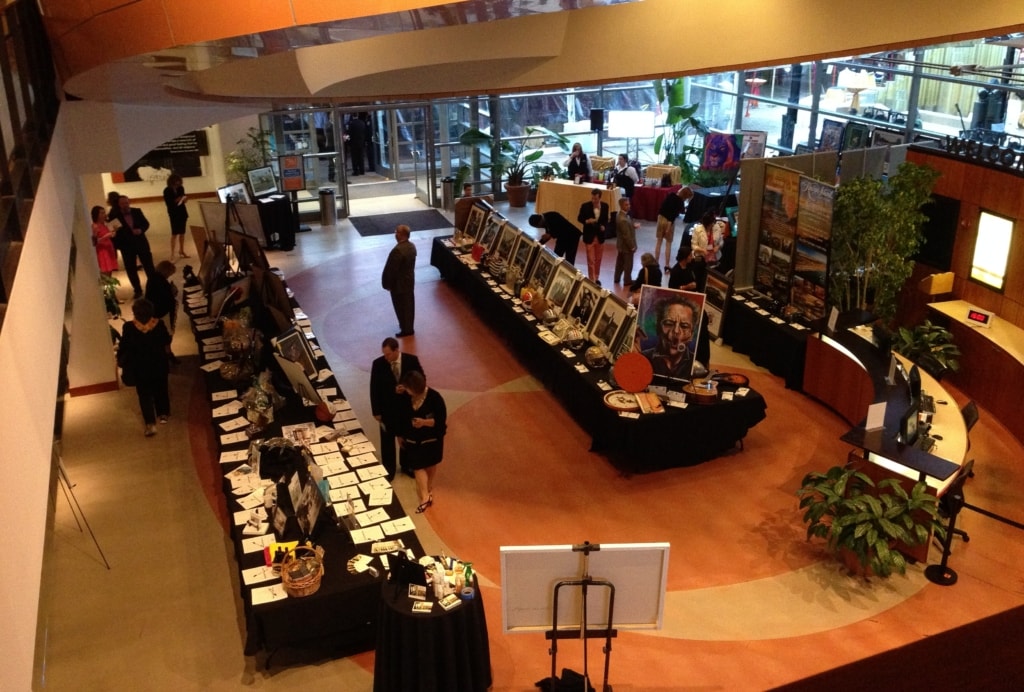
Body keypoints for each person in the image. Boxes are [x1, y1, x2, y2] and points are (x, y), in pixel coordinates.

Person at [370, 337, 425, 481]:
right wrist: (376, 411)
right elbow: (374, 388)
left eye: (388, 354)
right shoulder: (378, 364)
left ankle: (407, 465)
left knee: (406, 437)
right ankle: (389, 469)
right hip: (387, 409)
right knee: (387, 440)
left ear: (396, 350)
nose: (386, 357)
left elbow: (421, 380)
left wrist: (407, 388)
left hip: (406, 409)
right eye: (384, 354)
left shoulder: (411, 361)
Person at [117, 298, 172, 436]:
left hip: (140, 367)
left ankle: (150, 423)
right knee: (161, 389)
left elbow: (124, 346)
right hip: (159, 364)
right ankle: (163, 413)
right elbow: (166, 340)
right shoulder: (159, 324)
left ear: (135, 313)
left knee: (144, 394)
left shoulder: (129, 327)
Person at [397, 370, 447, 513]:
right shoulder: (406, 398)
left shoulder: (435, 398)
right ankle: (425, 496)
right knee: (418, 466)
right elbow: (401, 417)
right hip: (413, 438)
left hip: (431, 438)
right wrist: (400, 435)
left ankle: (428, 489)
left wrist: (424, 422)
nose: (407, 391)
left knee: (430, 464)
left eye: (408, 388)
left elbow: (440, 421)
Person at [642, 294, 699, 380]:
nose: (676, 331)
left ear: (691, 334)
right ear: (658, 328)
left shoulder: (696, 365)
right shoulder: (643, 358)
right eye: (669, 324)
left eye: (684, 326)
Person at [110, 194, 156, 299]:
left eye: (126, 203)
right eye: (122, 203)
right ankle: (137, 290)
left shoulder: (137, 211)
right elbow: (113, 234)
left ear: (129, 202)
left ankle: (153, 287)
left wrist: (141, 230)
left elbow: (146, 224)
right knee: (131, 269)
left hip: (141, 243)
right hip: (126, 247)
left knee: (149, 266)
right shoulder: (114, 217)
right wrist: (118, 246)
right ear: (119, 205)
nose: (125, 205)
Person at [382, 224, 417, 337]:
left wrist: (387, 284)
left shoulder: (397, 250)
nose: (395, 234)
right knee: (409, 305)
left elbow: (391, 269)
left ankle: (406, 329)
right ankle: (408, 326)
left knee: (400, 307)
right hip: (409, 281)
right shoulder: (412, 247)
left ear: (402, 234)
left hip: (399, 285)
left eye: (396, 232)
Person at [145, 260, 180, 364]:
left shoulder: (153, 278)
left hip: (154, 312)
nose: (169, 276)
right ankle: (167, 353)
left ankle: (165, 353)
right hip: (163, 313)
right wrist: (173, 291)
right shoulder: (161, 282)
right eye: (170, 273)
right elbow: (167, 298)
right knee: (167, 334)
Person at [654, 185, 693, 274]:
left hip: (661, 218)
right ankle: (667, 265)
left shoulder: (671, 195)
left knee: (658, 242)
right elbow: (673, 215)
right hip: (669, 222)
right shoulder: (680, 203)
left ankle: (656, 263)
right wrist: (668, 227)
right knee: (668, 244)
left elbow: (663, 207)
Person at [578, 189, 609, 285]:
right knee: (590, 259)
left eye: (595, 198)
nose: (593, 200)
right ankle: (592, 279)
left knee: (598, 259)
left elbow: (605, 220)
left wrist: (604, 226)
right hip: (589, 236)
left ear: (600, 197)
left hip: (600, 236)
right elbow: (579, 218)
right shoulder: (585, 206)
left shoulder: (605, 206)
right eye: (592, 198)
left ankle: (597, 276)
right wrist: (587, 221)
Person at [162, 173, 190, 259]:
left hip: (182, 212)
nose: (178, 183)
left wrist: (185, 199)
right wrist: (178, 199)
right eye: (176, 181)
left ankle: (181, 250)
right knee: (174, 233)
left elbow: (183, 199)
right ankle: (172, 253)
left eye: (179, 181)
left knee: (182, 233)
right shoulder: (167, 190)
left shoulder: (181, 188)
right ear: (172, 182)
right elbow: (169, 203)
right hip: (173, 213)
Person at [613, 197, 638, 284]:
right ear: (621, 205)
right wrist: (632, 246)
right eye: (626, 205)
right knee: (628, 264)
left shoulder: (620, 215)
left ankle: (617, 278)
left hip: (621, 245)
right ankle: (627, 280)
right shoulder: (623, 219)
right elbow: (626, 235)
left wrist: (633, 226)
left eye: (629, 204)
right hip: (626, 246)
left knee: (619, 263)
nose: (629, 206)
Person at [91, 205, 119, 278]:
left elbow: (110, 235)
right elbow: (94, 242)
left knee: (110, 271)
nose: (104, 215)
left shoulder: (105, 224)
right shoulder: (95, 226)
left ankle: (109, 287)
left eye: (104, 213)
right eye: (102, 213)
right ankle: (106, 288)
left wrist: (113, 232)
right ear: (96, 215)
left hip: (108, 249)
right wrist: (106, 236)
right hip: (102, 251)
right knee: (105, 271)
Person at [691, 211, 714, 291]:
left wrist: (717, 246)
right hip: (699, 258)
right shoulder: (698, 229)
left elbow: (719, 241)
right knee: (699, 278)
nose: (712, 225)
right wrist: (702, 250)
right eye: (711, 224)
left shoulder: (714, 229)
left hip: (711, 258)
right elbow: (693, 245)